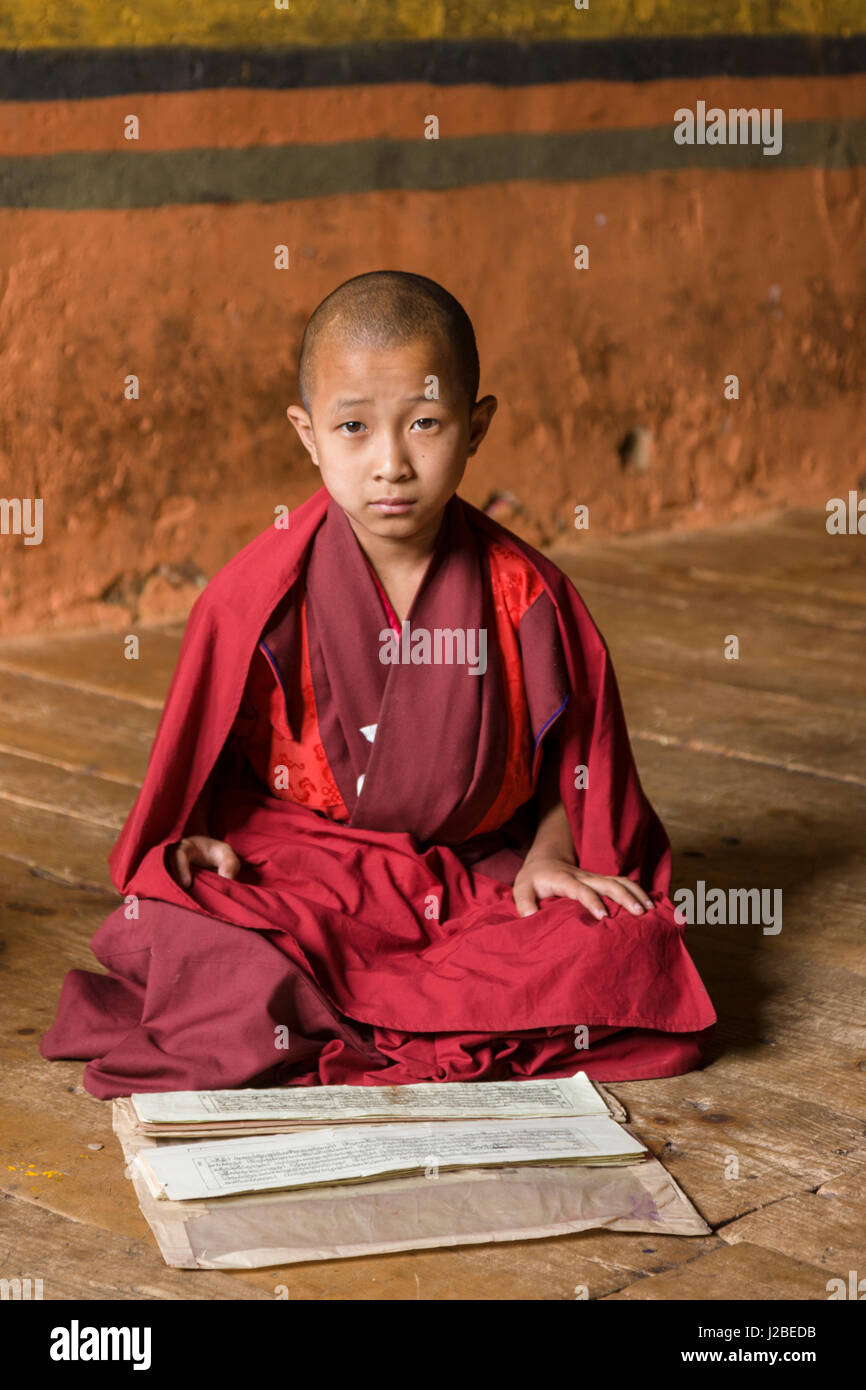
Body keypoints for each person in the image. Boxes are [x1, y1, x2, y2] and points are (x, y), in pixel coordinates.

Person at [40, 270, 716, 1098]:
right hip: (308, 870)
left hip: (479, 874)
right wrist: (198, 838)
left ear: (477, 427)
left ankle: (359, 1014)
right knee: (201, 939)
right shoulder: (255, 595)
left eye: (425, 423)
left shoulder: (529, 595)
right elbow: (206, 755)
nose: (391, 464)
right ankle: (387, 1010)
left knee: (619, 948)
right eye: (354, 427)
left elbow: (573, 768)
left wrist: (549, 859)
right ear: (308, 434)